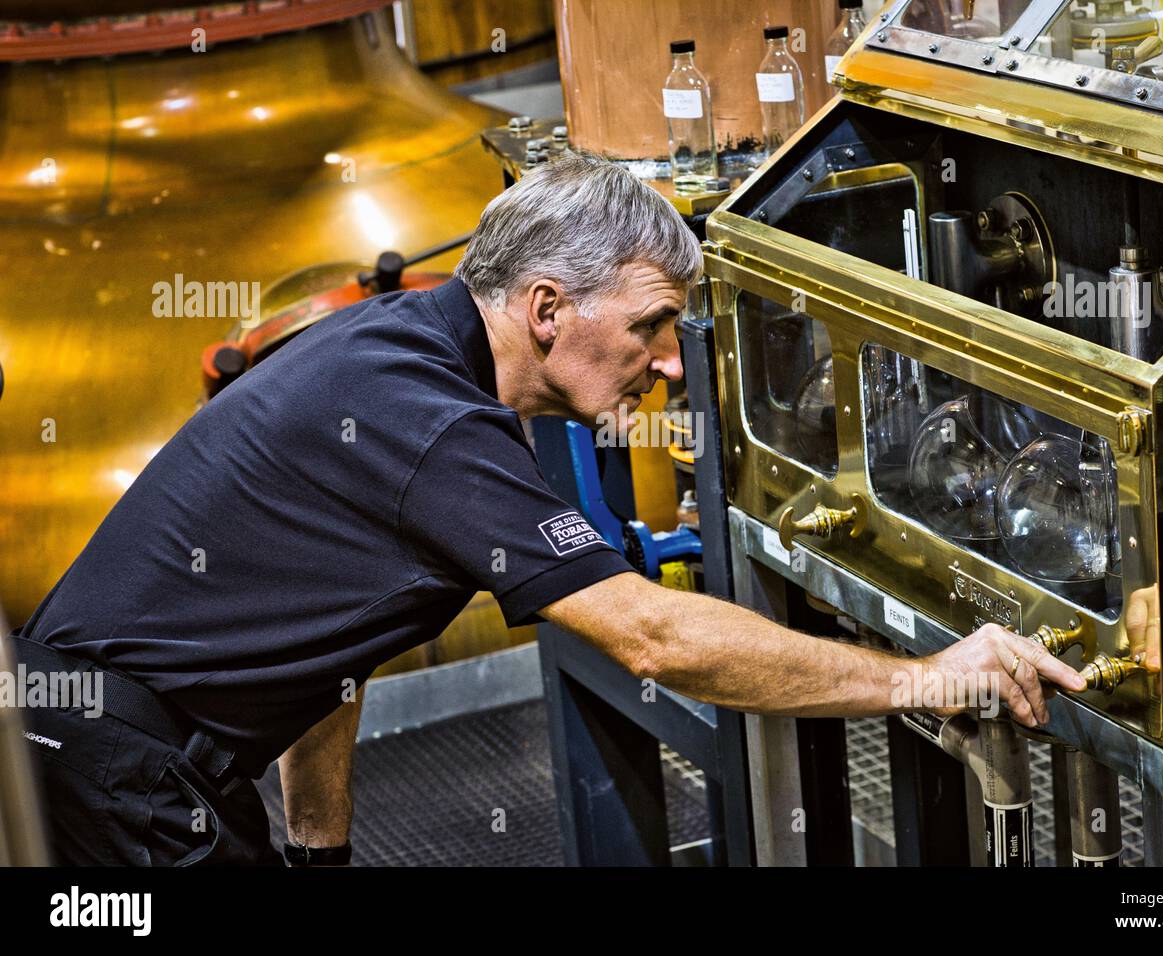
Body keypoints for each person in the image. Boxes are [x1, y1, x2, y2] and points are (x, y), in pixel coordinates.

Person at [10, 151, 1086, 866]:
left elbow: (326, 644)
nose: (669, 366)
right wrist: (922, 674)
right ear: (544, 308)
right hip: (119, 783)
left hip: (131, 761)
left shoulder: (406, 354)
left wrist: (320, 852)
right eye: (655, 326)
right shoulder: (431, 421)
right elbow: (656, 637)